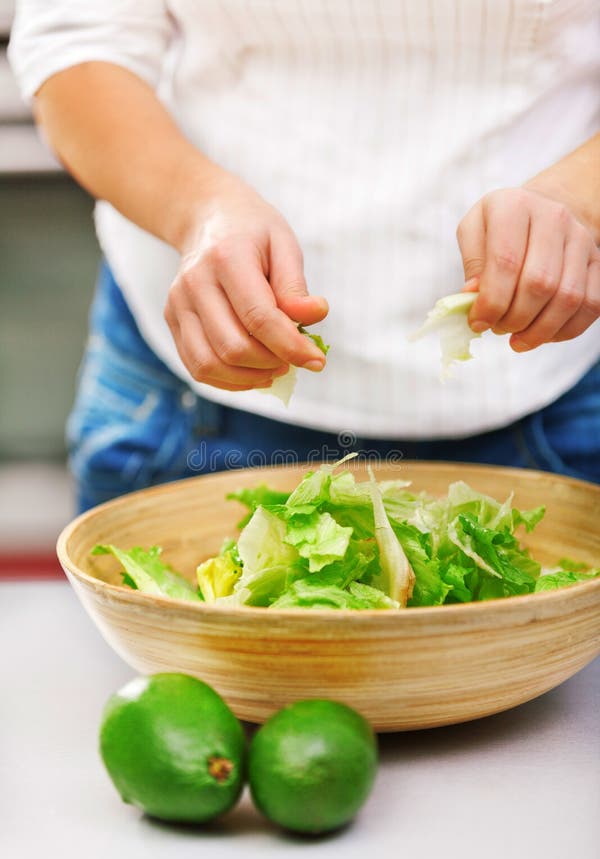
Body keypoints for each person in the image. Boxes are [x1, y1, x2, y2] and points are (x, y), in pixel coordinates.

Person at [9, 1, 600, 512]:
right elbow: (77, 40)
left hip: (550, 392)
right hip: (191, 396)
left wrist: (580, 196)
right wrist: (197, 208)